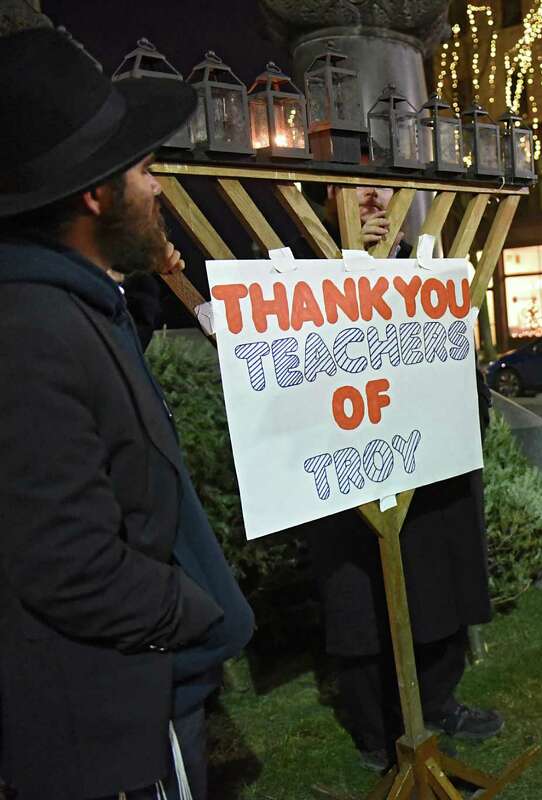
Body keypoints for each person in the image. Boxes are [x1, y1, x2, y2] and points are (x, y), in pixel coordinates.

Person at [0, 27, 252, 799]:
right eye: (145, 171)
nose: (160, 188)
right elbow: (68, 564)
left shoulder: (74, 304)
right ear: (95, 193)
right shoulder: (28, 336)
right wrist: (189, 612)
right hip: (116, 721)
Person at [297, 183, 502, 771]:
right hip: (353, 472)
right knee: (362, 601)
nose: (375, 205)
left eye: (384, 193)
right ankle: (376, 728)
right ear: (325, 199)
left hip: (433, 460)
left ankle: (437, 700)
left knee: (440, 586)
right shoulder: (298, 276)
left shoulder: (425, 265)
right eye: (358, 193)